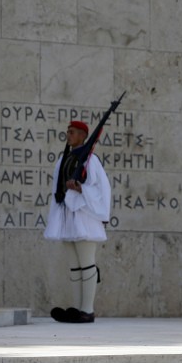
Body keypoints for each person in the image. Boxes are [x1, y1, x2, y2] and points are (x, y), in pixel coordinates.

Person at [45, 120, 111, 323]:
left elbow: (102, 189)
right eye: (67, 132)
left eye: (72, 132)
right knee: (75, 265)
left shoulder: (91, 160)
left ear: (83, 135)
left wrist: (81, 189)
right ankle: (77, 308)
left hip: (84, 217)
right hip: (67, 218)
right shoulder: (63, 159)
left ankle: (87, 309)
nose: (68, 135)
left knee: (87, 263)